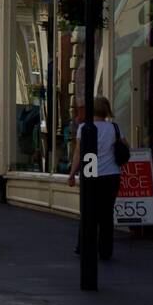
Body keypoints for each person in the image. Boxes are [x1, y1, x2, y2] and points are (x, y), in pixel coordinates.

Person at [67, 95, 125, 260]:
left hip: (91, 172)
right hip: (112, 175)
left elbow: (78, 153)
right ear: (107, 110)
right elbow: (125, 147)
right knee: (106, 214)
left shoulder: (85, 128)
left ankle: (85, 246)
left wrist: (72, 174)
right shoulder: (115, 128)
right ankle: (105, 250)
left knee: (88, 212)